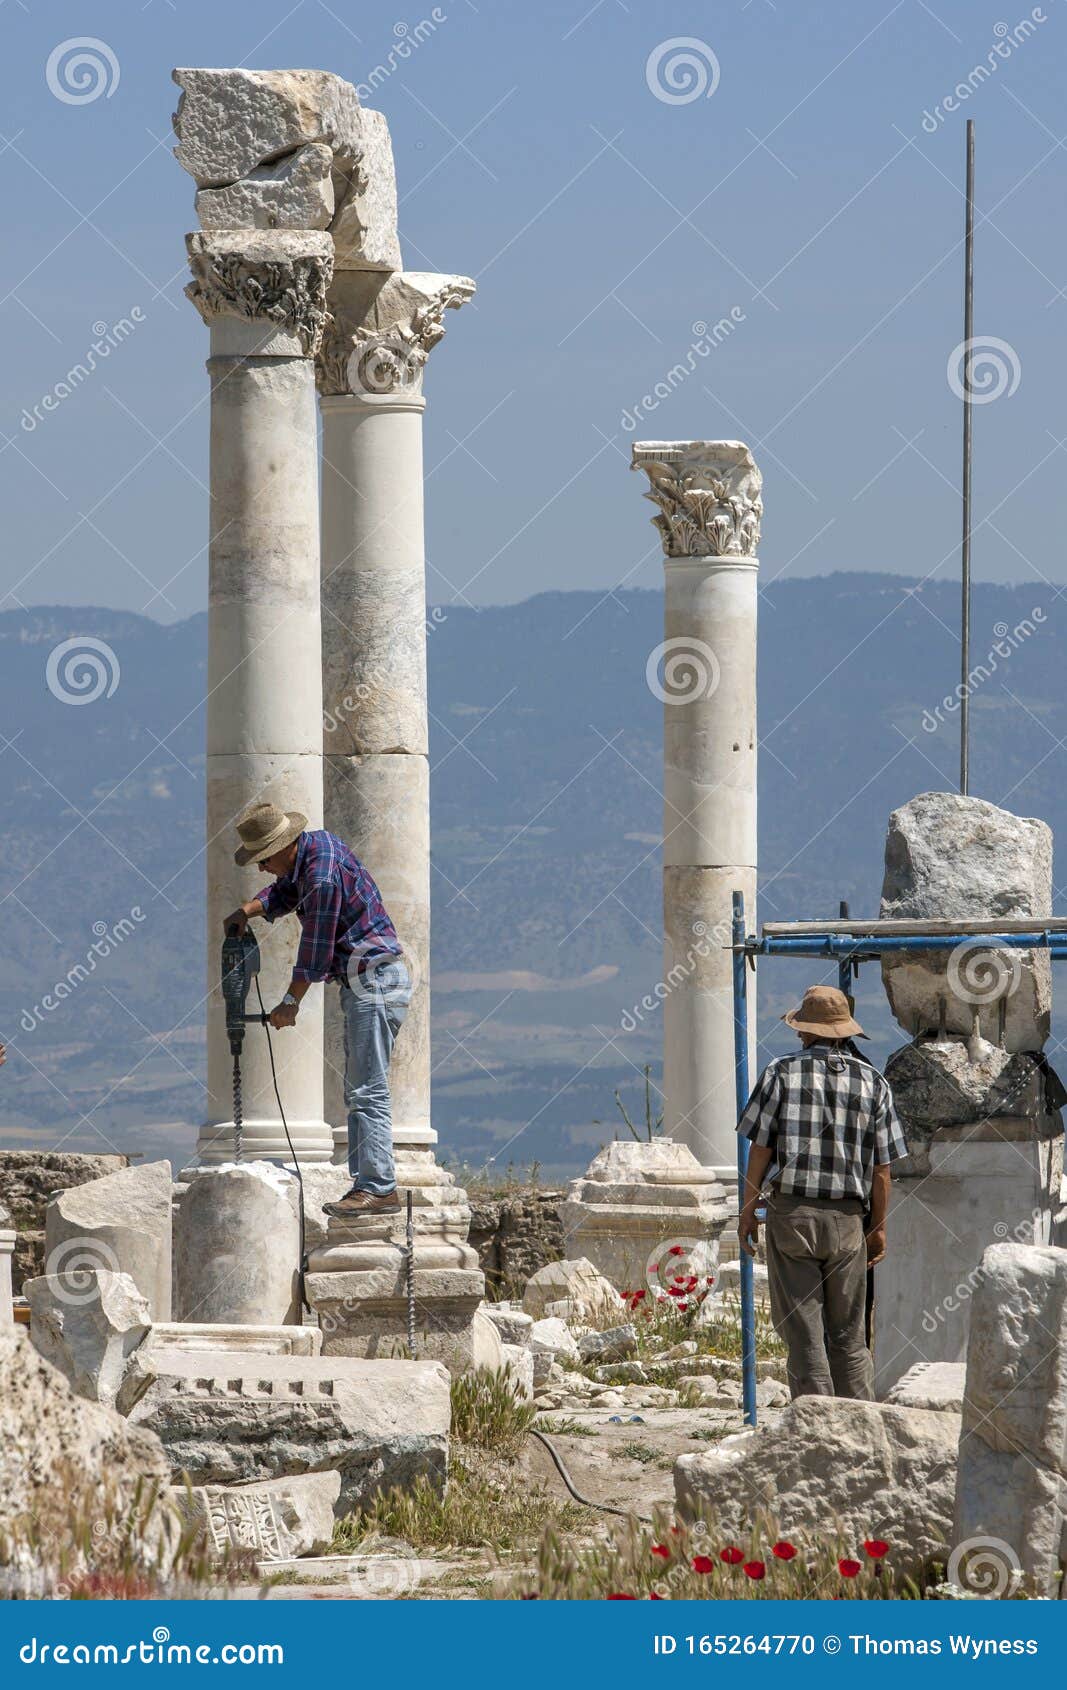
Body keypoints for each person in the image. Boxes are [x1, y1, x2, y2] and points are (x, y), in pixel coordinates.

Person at [223, 801, 411, 1218]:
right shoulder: (314, 851)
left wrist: (290, 1002)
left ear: (285, 846)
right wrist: (249, 911)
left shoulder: (322, 876)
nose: (261, 868)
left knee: (367, 1089)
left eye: (264, 858)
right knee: (359, 1088)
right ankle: (367, 1183)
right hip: (368, 980)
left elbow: (317, 948)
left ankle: (379, 1187)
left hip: (373, 981)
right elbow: (285, 892)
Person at [736, 983, 907, 1400]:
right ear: (847, 1031)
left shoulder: (780, 1073)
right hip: (848, 1220)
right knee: (849, 1336)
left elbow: (760, 1149)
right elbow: (883, 1168)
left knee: (804, 1333)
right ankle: (860, 1424)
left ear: (804, 1031)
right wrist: (878, 1228)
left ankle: (816, 1426)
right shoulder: (874, 1082)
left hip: (792, 1215)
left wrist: (748, 1207)